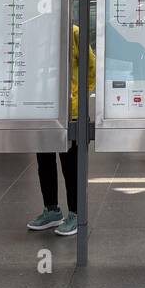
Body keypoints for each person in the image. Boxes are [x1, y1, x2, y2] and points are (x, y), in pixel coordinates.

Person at [28, 24, 95, 237]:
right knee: (44, 162)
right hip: (44, 108)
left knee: (70, 165)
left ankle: (75, 213)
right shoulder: (36, 33)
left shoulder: (74, 33)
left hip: (70, 111)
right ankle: (52, 210)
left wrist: (79, 95)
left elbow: (91, 67)